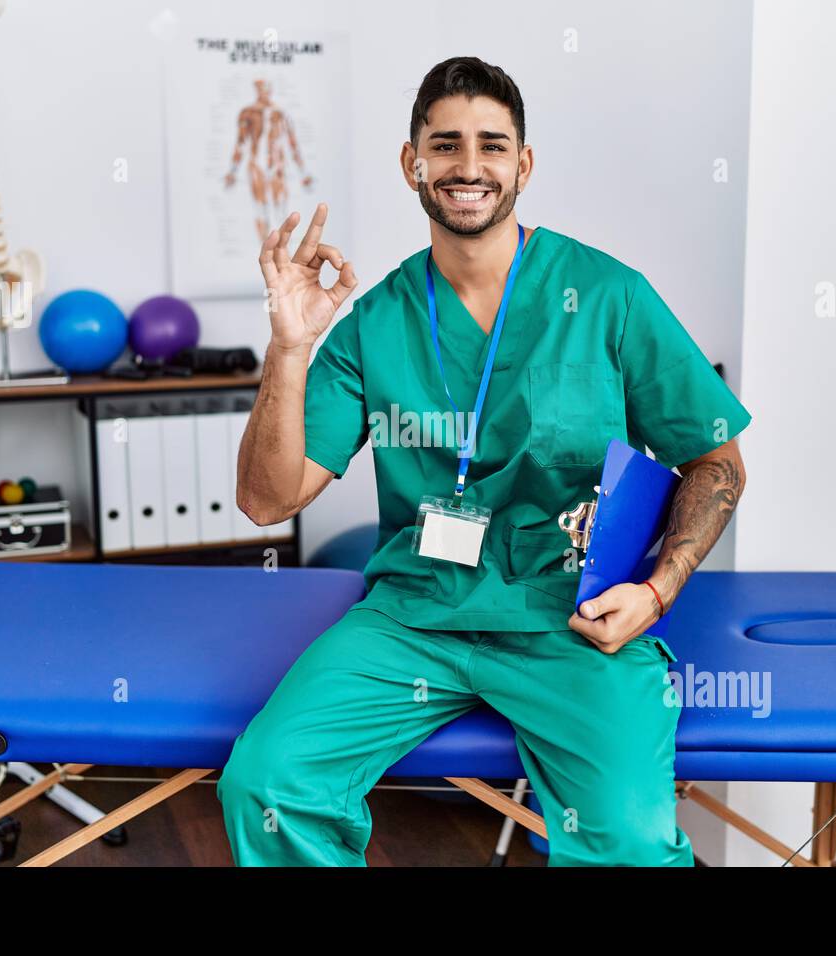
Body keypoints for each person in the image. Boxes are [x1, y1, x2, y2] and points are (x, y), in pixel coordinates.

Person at [216, 56, 750, 866]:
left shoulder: (607, 296)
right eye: (447, 144)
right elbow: (267, 500)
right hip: (415, 614)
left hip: (571, 619)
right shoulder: (376, 320)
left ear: (522, 165)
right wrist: (290, 347)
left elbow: (718, 462)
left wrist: (657, 591)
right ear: (413, 163)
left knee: (634, 842)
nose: (469, 167)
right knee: (267, 783)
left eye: (492, 146)